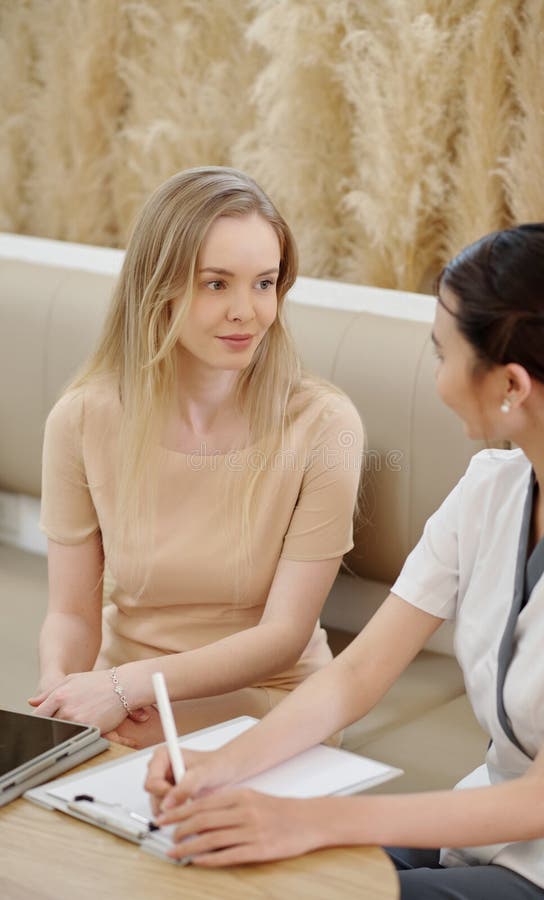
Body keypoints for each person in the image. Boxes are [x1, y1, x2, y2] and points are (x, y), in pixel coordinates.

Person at [145, 222, 544, 900]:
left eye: (443, 354)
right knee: (225, 866)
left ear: (511, 384)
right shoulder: (491, 490)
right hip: (491, 825)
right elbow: (358, 674)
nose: (439, 379)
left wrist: (308, 821)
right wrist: (220, 766)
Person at [29, 166, 363, 750]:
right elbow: (73, 615)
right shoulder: (82, 419)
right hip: (119, 694)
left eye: (264, 283)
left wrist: (128, 687)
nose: (247, 310)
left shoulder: (324, 425)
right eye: (216, 283)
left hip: (270, 697)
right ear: (157, 286)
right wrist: (62, 693)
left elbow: (284, 636)